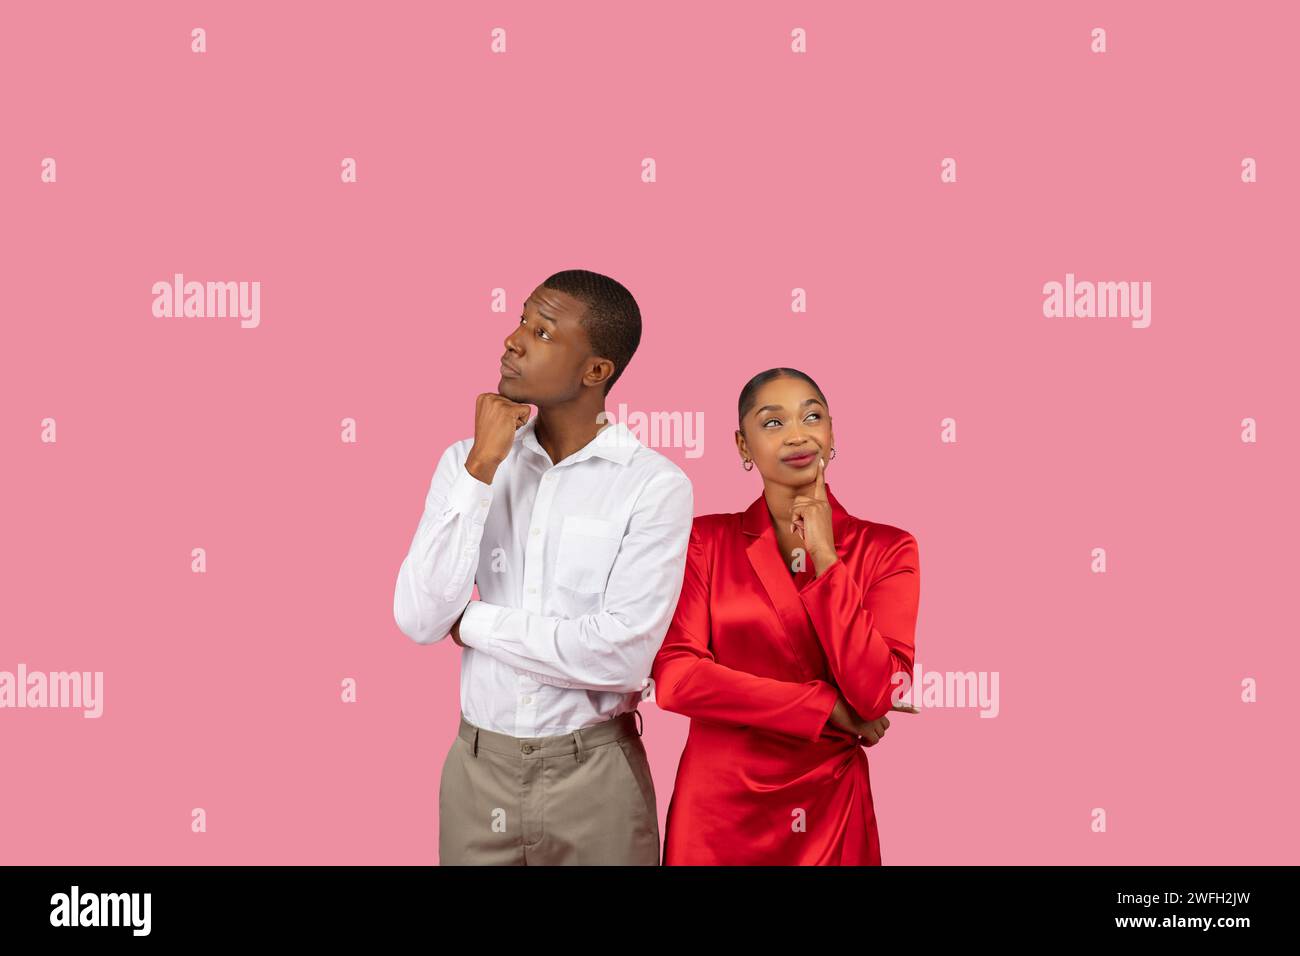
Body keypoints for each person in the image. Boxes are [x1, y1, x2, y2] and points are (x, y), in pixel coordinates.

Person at [393, 270, 694, 865]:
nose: (513, 340)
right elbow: (420, 618)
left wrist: (474, 624)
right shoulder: (466, 463)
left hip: (597, 780)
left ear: (596, 371)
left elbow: (621, 657)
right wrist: (482, 468)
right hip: (477, 776)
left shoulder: (654, 486)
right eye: (521, 320)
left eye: (542, 331)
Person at [650, 368, 921, 865]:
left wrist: (825, 557)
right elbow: (676, 680)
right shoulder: (706, 541)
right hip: (719, 810)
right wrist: (825, 709)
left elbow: (882, 691)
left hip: (829, 806)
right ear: (742, 445)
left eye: (812, 416)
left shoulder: (888, 548)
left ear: (832, 433)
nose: (797, 434)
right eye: (772, 423)